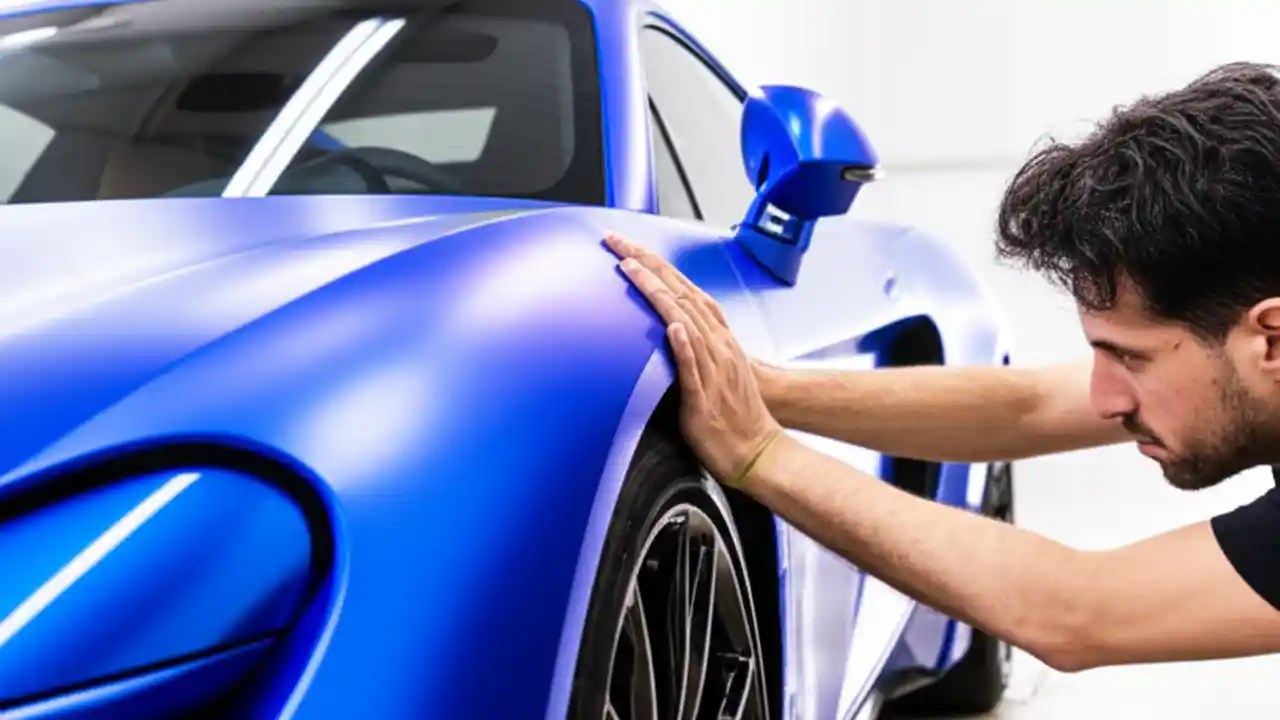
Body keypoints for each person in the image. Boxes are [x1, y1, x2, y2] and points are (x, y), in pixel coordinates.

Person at [603, 60, 1280, 674]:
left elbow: (1078, 612)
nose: (1103, 399)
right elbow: (1030, 408)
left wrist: (761, 456)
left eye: (1129, 356)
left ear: (1271, 338)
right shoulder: (1229, 359)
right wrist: (764, 390)